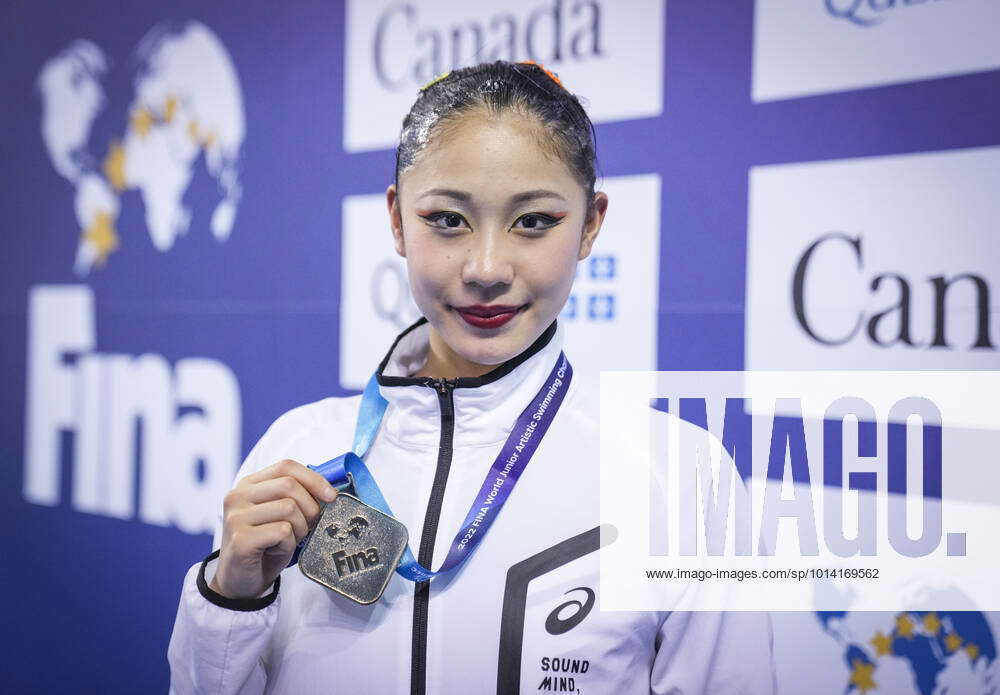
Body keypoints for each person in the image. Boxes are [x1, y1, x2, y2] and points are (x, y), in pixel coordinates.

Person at [167, 59, 777, 694]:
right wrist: (230, 597)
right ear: (399, 221)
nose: (486, 268)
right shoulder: (296, 449)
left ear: (590, 225)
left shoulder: (678, 478)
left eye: (534, 221)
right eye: (448, 219)